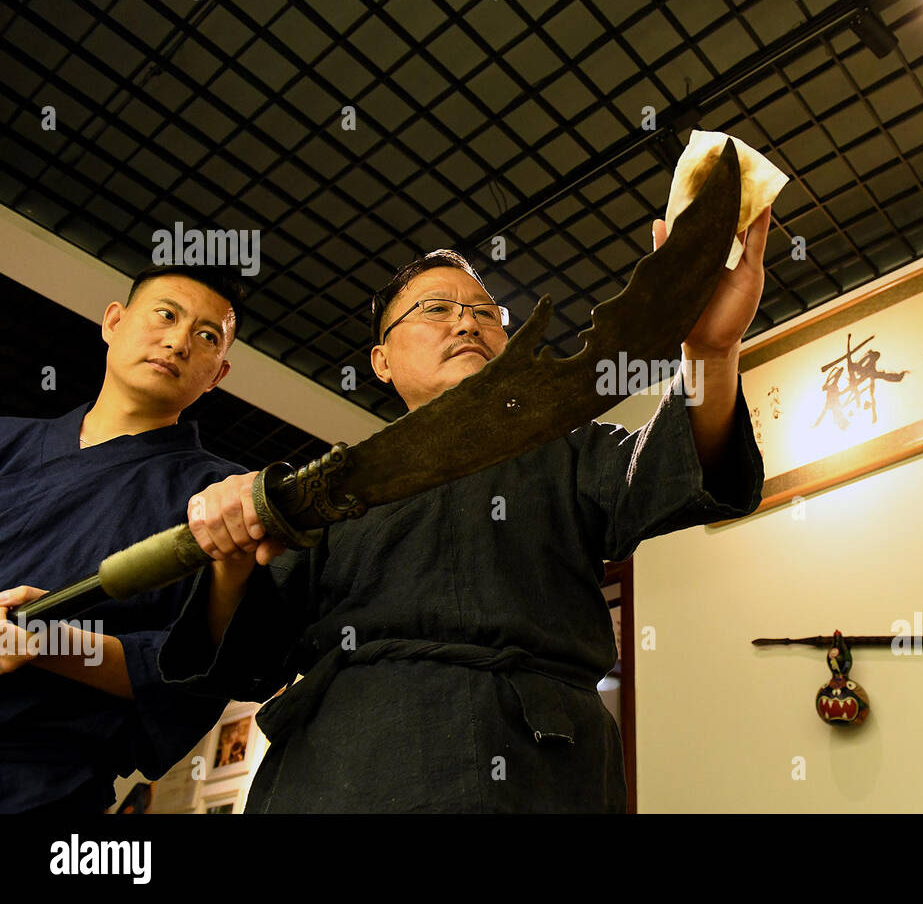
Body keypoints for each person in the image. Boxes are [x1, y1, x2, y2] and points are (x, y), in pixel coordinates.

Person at [161, 210, 772, 812]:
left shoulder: (569, 453)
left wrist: (711, 352)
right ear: (381, 360)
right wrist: (229, 556)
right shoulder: (329, 489)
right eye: (437, 309)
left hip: (541, 765)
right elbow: (244, 659)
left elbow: (675, 467)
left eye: (486, 314)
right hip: (342, 767)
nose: (467, 324)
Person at [0, 265, 250, 813]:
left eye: (207, 336)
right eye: (166, 314)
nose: (179, 341)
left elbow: (195, 674)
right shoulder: (6, 440)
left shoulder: (220, 500)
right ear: (114, 321)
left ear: (218, 374)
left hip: (40, 788)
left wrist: (52, 642)